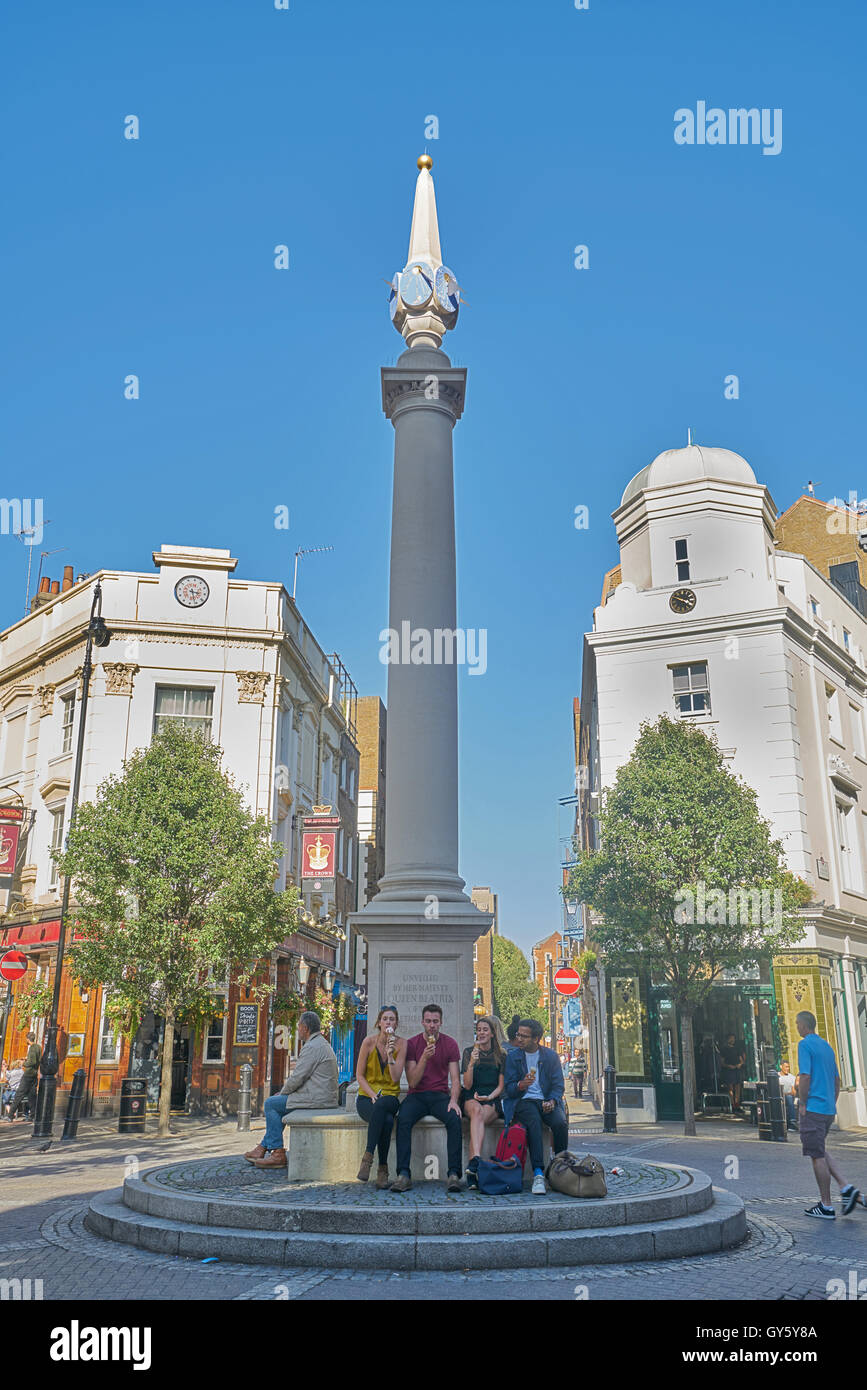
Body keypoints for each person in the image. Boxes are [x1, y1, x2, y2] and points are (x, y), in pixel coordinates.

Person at [243, 1010, 338, 1169]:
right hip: (321, 1095)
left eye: (299, 1026)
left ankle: (278, 1154)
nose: (297, 1029)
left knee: (271, 1104)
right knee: (278, 1106)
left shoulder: (312, 1047)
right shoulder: (320, 1043)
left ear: (305, 1028)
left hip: (317, 1098)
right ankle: (261, 1149)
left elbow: (297, 1078)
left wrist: (283, 1092)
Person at [795, 1010, 861, 1219]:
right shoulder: (826, 1046)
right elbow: (837, 1080)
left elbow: (805, 1076)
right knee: (820, 1150)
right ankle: (845, 1187)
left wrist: (803, 1103)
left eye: (797, 1024)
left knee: (816, 1156)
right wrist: (831, 1103)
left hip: (813, 1108)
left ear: (804, 1026)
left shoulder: (804, 1045)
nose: (796, 1027)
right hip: (827, 1109)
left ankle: (826, 1205)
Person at [391, 1004, 462, 1193]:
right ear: (422, 1022)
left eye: (435, 1022)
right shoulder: (413, 1044)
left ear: (441, 1023)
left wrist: (453, 1100)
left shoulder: (450, 1044)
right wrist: (424, 1057)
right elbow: (413, 1082)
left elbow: (455, 1079)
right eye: (428, 1021)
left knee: (454, 1119)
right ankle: (404, 1174)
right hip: (418, 1095)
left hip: (440, 1095)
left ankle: (454, 1174)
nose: (432, 1025)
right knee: (404, 1118)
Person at [504, 1018, 569, 1194]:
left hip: (546, 1100)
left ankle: (560, 1165)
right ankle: (538, 1173)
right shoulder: (513, 1057)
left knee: (560, 1122)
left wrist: (552, 1101)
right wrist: (521, 1085)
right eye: (518, 1035)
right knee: (533, 1122)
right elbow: (509, 1089)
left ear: (536, 1038)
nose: (519, 1039)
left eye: (524, 1036)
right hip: (523, 1100)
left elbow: (558, 1085)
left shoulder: (550, 1056)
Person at [355, 1004, 405, 1187]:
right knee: (387, 1121)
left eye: (392, 1019)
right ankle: (382, 1169)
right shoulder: (368, 1042)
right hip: (367, 1097)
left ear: (396, 1024)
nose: (388, 1022)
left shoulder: (401, 1044)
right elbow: (359, 1076)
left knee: (384, 1105)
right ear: (379, 1022)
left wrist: (391, 1055)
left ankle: (367, 1157)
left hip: (390, 1095)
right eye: (385, 1019)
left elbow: (396, 1077)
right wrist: (372, 1094)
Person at [461, 1015, 506, 1188]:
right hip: (472, 1096)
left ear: (492, 1033)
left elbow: (500, 1086)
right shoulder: (468, 1052)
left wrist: (490, 1097)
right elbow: (467, 1084)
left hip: (491, 1098)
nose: (481, 1033)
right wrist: (471, 1062)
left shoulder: (501, 1055)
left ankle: (473, 1167)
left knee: (477, 1120)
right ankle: (477, 1160)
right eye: (478, 1030)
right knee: (477, 1113)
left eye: (485, 1030)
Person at [6, 1032, 41, 1121]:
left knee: (19, 1095)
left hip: (28, 1075)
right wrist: (27, 1058)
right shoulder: (38, 1047)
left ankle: (10, 1116)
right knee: (32, 1096)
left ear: (28, 1039)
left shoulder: (32, 1048)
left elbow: (32, 1062)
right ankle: (33, 1116)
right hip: (34, 1075)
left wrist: (23, 1063)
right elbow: (36, 1060)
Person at [719, 1032, 746, 1112]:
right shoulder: (724, 1049)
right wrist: (728, 1066)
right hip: (728, 1070)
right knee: (730, 1088)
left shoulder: (737, 1048)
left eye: (733, 1038)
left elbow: (741, 1060)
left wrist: (740, 1064)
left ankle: (737, 1104)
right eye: (731, 1038)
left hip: (737, 1069)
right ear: (727, 1039)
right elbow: (722, 1062)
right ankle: (732, 1104)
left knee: (738, 1087)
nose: (732, 1040)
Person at [778, 1060, 798, 1131]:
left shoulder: (792, 1077)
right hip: (778, 1097)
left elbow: (793, 1092)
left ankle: (792, 1123)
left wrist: (784, 1094)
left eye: (788, 1067)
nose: (787, 1069)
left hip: (788, 1098)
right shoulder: (776, 1077)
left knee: (789, 1098)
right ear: (781, 1067)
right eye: (786, 1067)